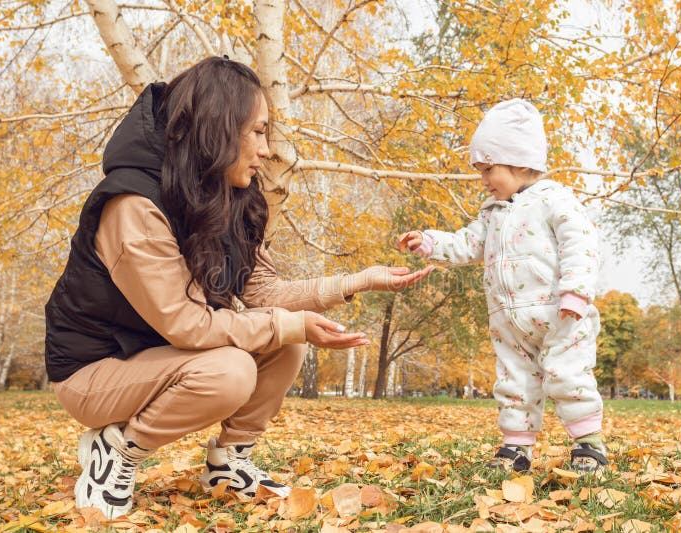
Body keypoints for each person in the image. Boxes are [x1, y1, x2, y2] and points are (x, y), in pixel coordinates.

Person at [44, 56, 432, 520]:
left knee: (286, 341)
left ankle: (229, 462)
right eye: (258, 131)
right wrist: (284, 324)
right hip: (97, 370)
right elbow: (186, 324)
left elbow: (265, 294)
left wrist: (358, 281)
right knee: (232, 369)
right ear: (217, 129)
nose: (266, 149)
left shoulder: (225, 198)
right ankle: (116, 454)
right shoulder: (134, 204)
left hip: (163, 354)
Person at [396, 99, 607, 474]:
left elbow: (581, 242)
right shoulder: (491, 213)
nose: (484, 180)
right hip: (509, 321)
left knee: (569, 376)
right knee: (513, 381)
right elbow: (468, 243)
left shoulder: (554, 200)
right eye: (480, 170)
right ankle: (517, 449)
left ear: (522, 162)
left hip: (560, 313)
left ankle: (588, 445)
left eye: (489, 168)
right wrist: (430, 242)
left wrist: (575, 290)